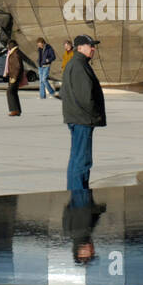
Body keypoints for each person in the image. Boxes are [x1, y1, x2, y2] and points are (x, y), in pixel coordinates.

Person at [61, 35, 105, 189]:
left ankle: (75, 193)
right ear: (79, 48)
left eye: (93, 46)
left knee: (77, 158)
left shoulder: (77, 63)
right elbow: (85, 97)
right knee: (82, 160)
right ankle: (79, 197)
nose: (93, 48)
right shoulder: (79, 65)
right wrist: (95, 115)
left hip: (77, 117)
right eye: (90, 45)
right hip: (82, 119)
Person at [4, 40, 27, 116]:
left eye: (8, 45)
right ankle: (17, 110)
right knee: (13, 92)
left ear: (11, 45)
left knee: (10, 92)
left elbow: (18, 66)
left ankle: (15, 110)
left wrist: (14, 77)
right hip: (13, 76)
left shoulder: (15, 53)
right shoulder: (14, 53)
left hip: (15, 77)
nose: (8, 47)